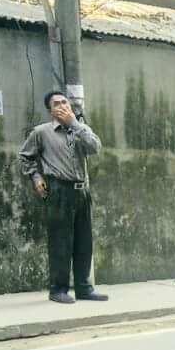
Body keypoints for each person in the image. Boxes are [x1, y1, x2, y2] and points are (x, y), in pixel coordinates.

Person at [19, 90, 107, 304]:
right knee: (60, 242)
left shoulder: (80, 129)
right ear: (50, 110)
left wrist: (75, 124)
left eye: (64, 102)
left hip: (82, 191)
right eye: (56, 103)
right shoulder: (41, 132)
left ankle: (84, 288)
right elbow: (25, 157)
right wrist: (36, 178)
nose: (61, 105)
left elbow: (95, 148)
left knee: (84, 241)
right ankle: (58, 289)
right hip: (58, 190)